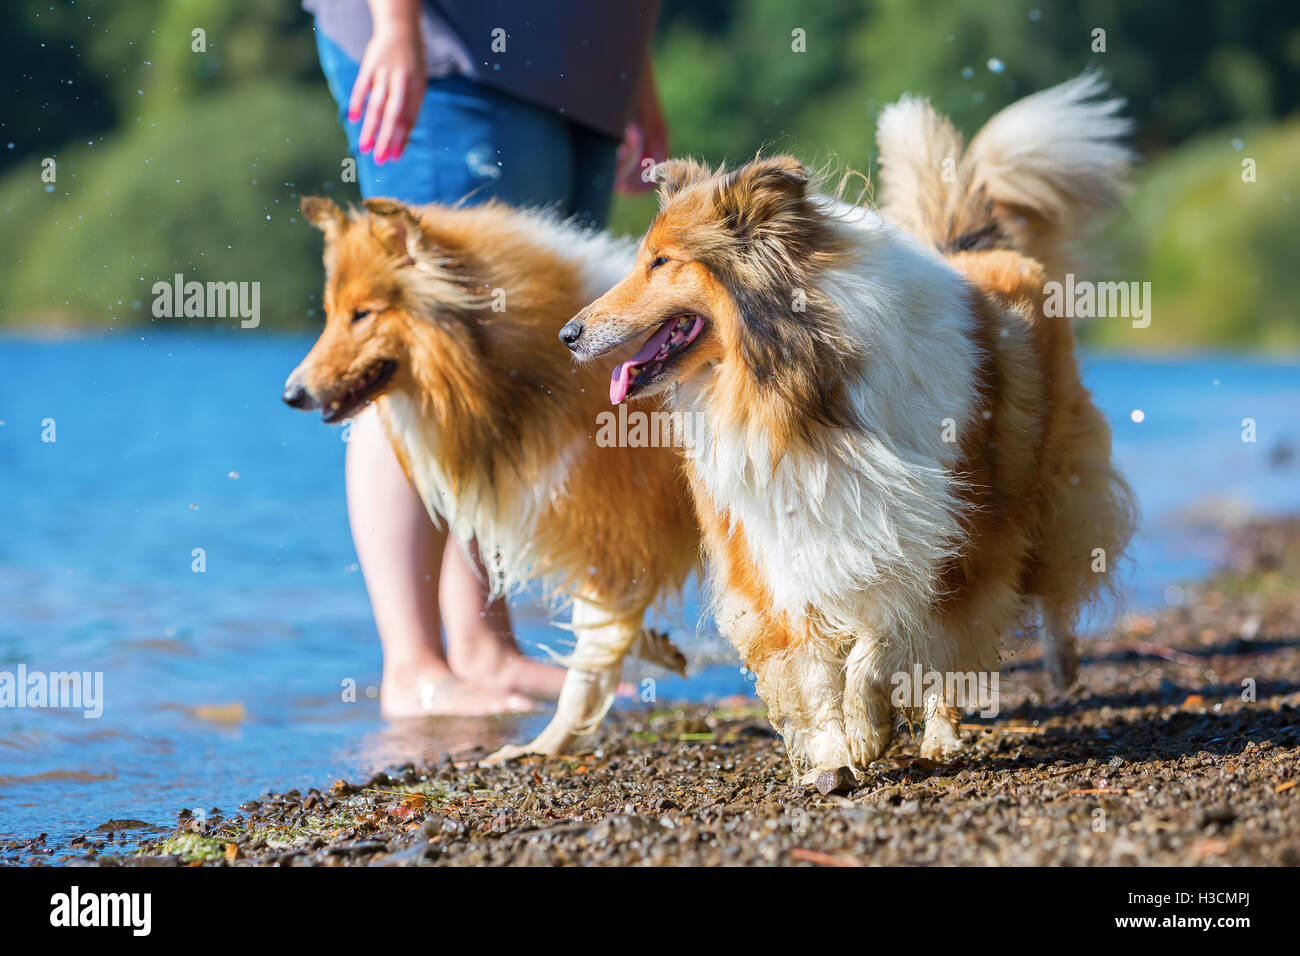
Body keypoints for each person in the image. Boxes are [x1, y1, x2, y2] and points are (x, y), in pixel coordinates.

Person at [304, 0, 668, 717]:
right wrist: (398, 21)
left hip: (586, 68)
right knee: (414, 344)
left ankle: (483, 648)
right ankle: (411, 666)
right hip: (451, 47)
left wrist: (634, 74)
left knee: (510, 356)